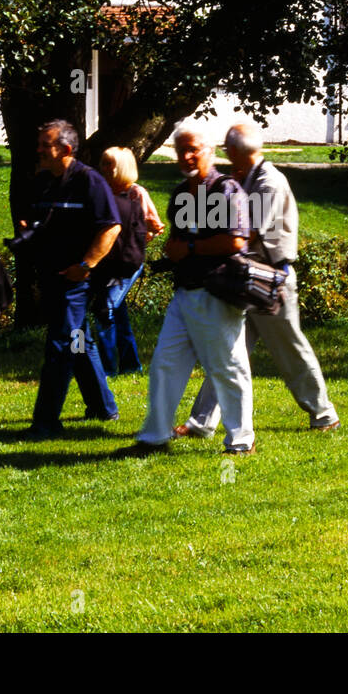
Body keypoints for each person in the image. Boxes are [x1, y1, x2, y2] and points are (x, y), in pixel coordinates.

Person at [175, 122, 340, 438]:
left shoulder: (269, 182)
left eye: (227, 149)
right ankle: (202, 421)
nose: (224, 154)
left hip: (269, 281)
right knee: (226, 351)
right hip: (243, 278)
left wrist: (210, 240)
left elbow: (248, 231)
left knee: (290, 349)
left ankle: (323, 413)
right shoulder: (245, 178)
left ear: (235, 151)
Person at [128, 125, 256, 455]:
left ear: (209, 151)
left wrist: (189, 248)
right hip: (184, 293)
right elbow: (180, 236)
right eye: (180, 150)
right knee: (165, 364)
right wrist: (174, 249)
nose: (186, 156)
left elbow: (237, 240)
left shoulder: (226, 190)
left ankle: (241, 441)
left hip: (218, 293)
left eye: (193, 150)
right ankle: (154, 436)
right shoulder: (182, 193)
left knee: (228, 367)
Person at [19, 120, 122, 438]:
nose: (38, 150)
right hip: (51, 276)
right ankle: (104, 407)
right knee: (79, 340)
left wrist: (86, 263)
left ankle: (45, 422)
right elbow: (34, 218)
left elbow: (111, 226)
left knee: (61, 343)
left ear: (64, 149)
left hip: (77, 280)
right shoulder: (43, 181)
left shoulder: (89, 181)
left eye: (44, 145)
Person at [93, 147, 164, 375]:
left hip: (129, 262)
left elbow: (156, 225)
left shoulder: (136, 193)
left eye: (109, 164)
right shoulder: (101, 191)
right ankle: (131, 365)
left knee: (106, 309)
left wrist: (140, 238)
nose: (104, 168)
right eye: (102, 163)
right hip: (108, 262)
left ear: (122, 167)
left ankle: (106, 369)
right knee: (119, 313)